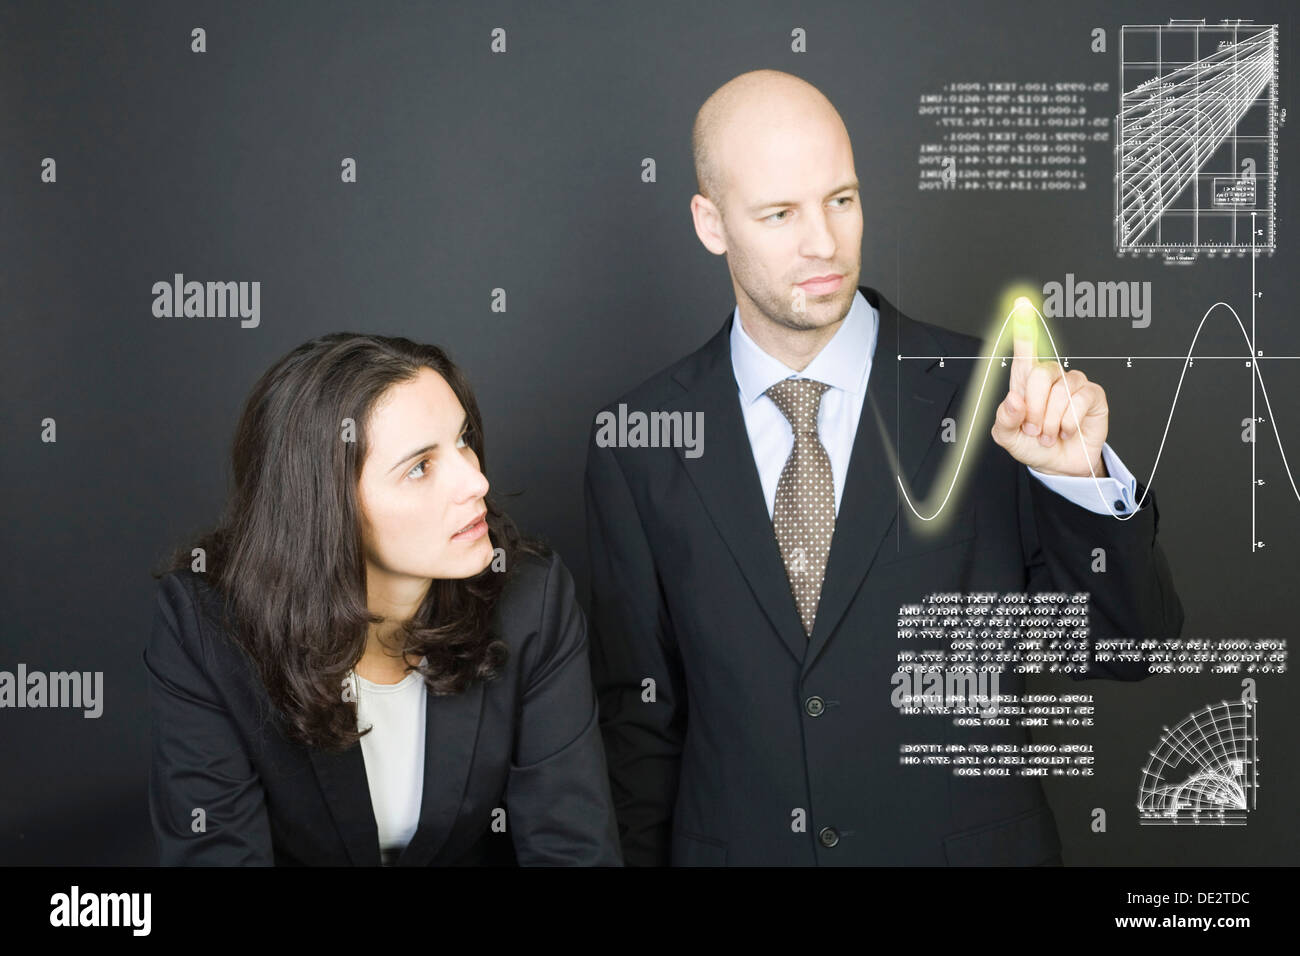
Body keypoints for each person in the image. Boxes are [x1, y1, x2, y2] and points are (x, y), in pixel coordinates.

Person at [583, 70, 1183, 866]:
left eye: (842, 199)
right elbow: (640, 727)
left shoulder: (997, 399)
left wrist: (1077, 483)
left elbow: (1126, 649)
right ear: (710, 222)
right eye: (779, 213)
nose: (823, 242)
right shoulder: (639, 440)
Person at [146, 333, 622, 866]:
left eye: (463, 439)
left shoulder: (531, 598)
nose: (477, 481)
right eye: (419, 467)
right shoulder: (209, 628)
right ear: (324, 507)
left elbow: (573, 849)